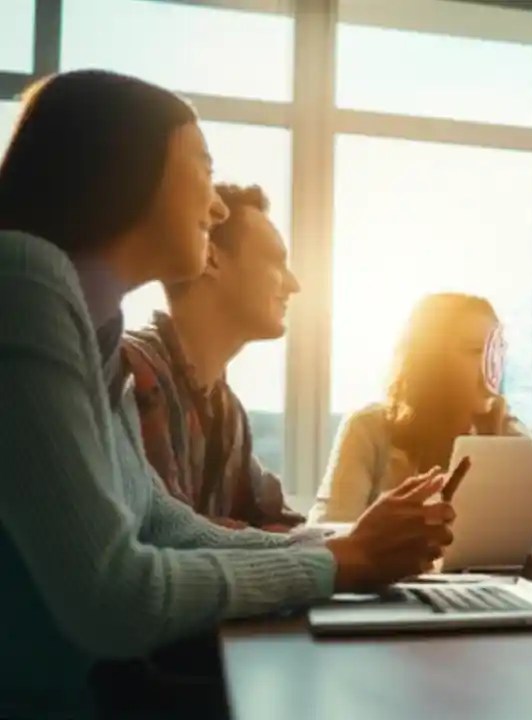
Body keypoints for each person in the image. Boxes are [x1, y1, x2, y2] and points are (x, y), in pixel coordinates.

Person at [0, 70, 454, 718]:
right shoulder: (23, 282)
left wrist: (351, 547)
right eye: (204, 169)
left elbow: (168, 526)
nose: (216, 208)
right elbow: (115, 596)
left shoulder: (99, 338)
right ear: (127, 163)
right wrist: (341, 562)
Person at [123, 183, 303, 531]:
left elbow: (275, 520)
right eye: (277, 261)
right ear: (211, 258)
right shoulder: (131, 378)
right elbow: (164, 534)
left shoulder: (227, 411)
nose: (293, 284)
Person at [310, 293, 528, 523]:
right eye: (475, 350)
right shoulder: (368, 430)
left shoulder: (510, 436)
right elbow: (329, 532)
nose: (493, 365)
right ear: (431, 360)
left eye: (497, 351)